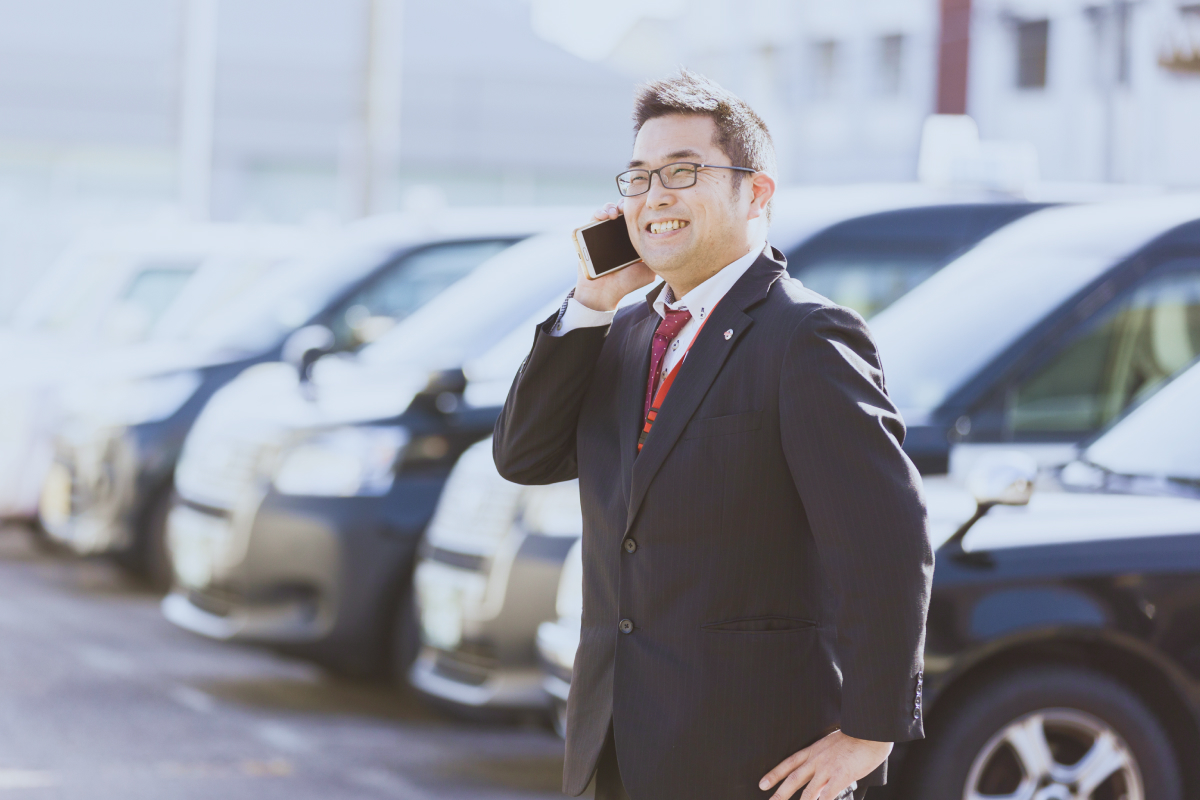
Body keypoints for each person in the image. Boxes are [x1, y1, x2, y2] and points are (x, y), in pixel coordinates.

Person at [493, 70, 933, 800]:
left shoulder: (808, 338)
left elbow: (888, 541)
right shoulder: (625, 330)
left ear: (755, 192)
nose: (654, 196)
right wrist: (592, 300)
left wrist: (869, 733)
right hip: (614, 748)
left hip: (750, 759)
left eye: (682, 172)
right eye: (638, 177)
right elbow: (525, 455)